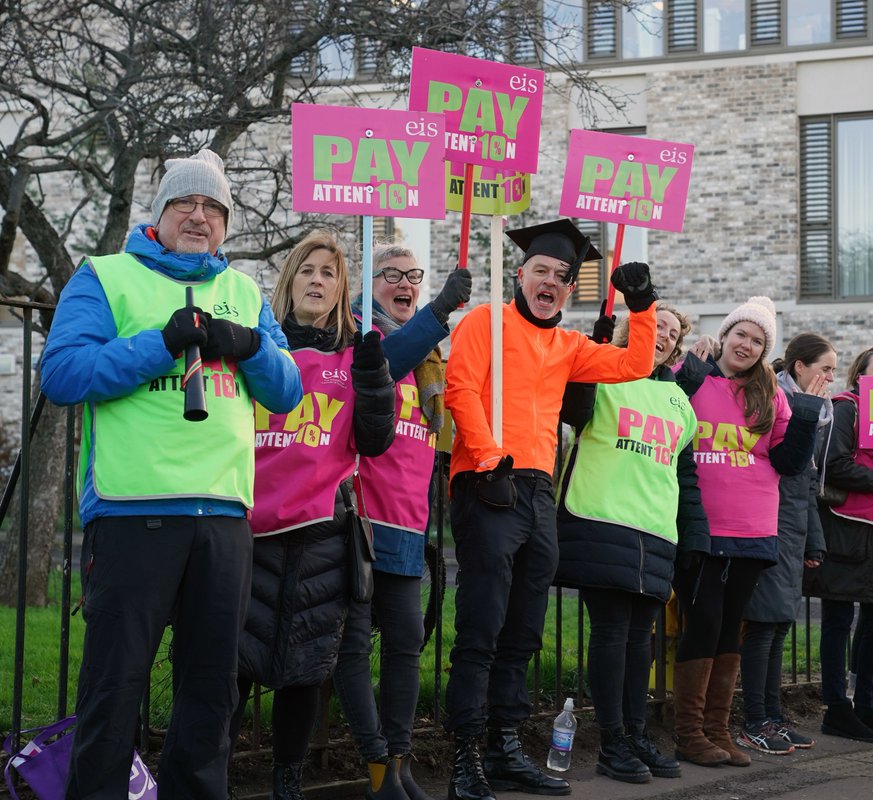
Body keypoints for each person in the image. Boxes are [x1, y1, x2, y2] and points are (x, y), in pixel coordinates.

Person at [40, 149, 302, 800]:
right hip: (134, 517)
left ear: (225, 224)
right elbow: (64, 374)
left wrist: (249, 346)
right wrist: (158, 342)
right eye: (185, 202)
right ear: (157, 215)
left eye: (213, 207)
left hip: (222, 522)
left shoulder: (243, 291)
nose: (198, 214)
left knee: (211, 697)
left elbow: (288, 390)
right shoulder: (105, 276)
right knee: (113, 691)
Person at [442, 219, 660, 800]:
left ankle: (504, 746)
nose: (550, 282)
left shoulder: (568, 344)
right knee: (482, 625)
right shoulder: (484, 322)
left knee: (524, 631)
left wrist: (643, 305)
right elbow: (461, 391)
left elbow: (634, 365)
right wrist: (490, 458)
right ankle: (466, 757)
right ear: (520, 273)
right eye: (541, 271)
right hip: (489, 481)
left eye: (562, 278)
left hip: (539, 496)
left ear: (568, 291)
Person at [230, 229, 432, 800]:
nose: (317, 280)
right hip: (249, 533)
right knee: (233, 670)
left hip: (320, 535)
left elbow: (372, 443)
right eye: (308, 270)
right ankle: (209, 775)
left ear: (342, 288)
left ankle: (286, 782)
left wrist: (374, 387)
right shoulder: (258, 349)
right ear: (289, 280)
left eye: (329, 273)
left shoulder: (354, 355)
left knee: (305, 669)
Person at [332, 243, 471, 800]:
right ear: (371, 283)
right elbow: (384, 366)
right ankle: (375, 768)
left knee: (406, 647)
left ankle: (399, 760)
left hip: (410, 526)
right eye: (391, 275)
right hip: (360, 522)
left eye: (413, 275)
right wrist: (439, 311)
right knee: (353, 647)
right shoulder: (360, 339)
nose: (405, 283)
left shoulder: (430, 359)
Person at [553, 304, 705, 784]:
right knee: (612, 633)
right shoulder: (604, 372)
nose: (662, 335)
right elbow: (572, 411)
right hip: (602, 521)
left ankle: (636, 734)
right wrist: (595, 350)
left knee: (642, 640)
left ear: (677, 347)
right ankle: (612, 741)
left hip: (655, 530)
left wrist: (695, 534)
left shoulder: (680, 401)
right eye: (654, 325)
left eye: (672, 332)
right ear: (632, 329)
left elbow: (683, 471)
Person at [673, 297, 822, 768]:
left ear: (764, 351)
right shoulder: (694, 374)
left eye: (758, 341)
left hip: (755, 530)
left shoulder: (770, 393)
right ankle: (688, 734)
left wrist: (807, 410)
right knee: (703, 624)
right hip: (703, 528)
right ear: (726, 333)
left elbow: (788, 463)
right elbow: (669, 423)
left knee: (730, 631)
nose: (747, 344)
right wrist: (688, 375)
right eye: (741, 334)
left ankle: (717, 730)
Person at [736, 333, 834, 755]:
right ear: (800, 368)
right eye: (825, 368)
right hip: (769, 526)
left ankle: (772, 715)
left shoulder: (815, 410)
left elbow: (805, 485)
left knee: (778, 627)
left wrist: (814, 540)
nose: (832, 376)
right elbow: (783, 467)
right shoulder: (776, 401)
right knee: (762, 626)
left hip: (792, 531)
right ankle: (754, 719)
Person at [803, 345, 873, 744]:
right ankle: (836, 709)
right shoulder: (848, 408)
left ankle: (867, 706)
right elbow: (833, 465)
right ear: (860, 376)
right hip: (847, 530)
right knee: (839, 621)